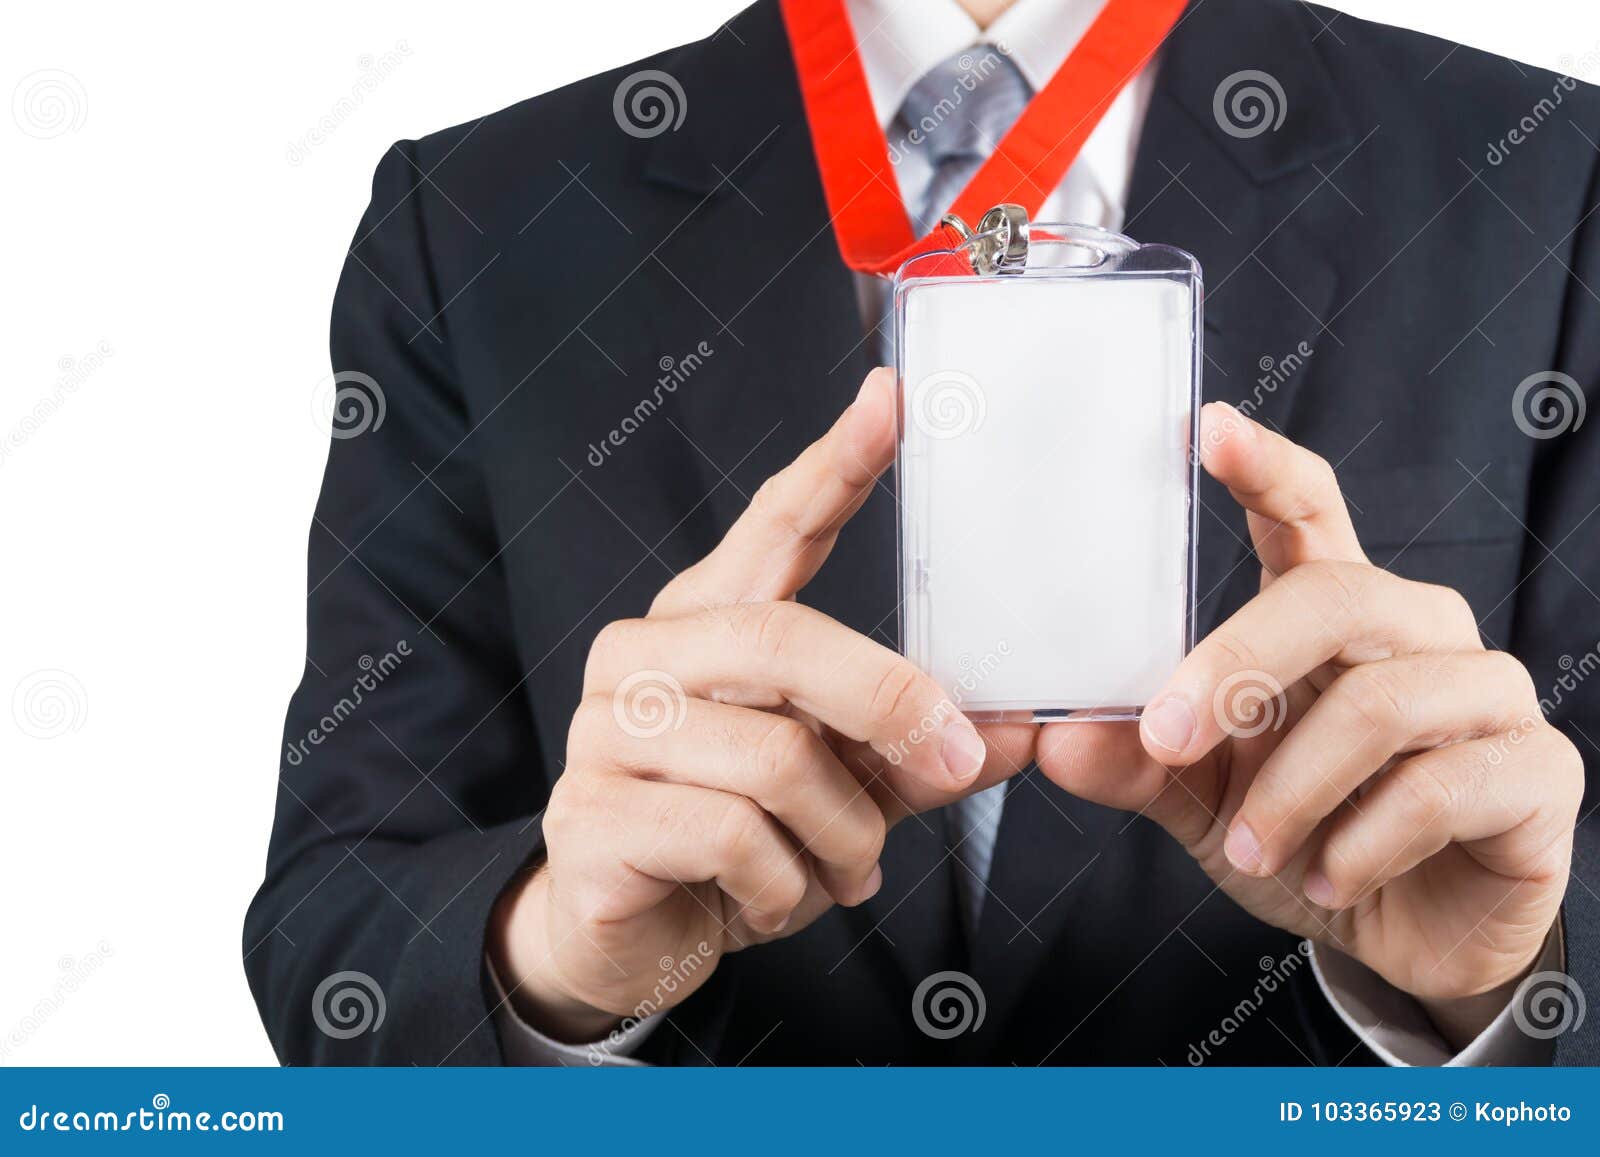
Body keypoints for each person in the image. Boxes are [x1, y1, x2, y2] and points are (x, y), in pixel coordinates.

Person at [245, 0, 1599, 1065]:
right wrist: (554, 958)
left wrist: (1501, 991)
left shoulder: (1547, 172)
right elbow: (337, 931)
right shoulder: (480, 221)